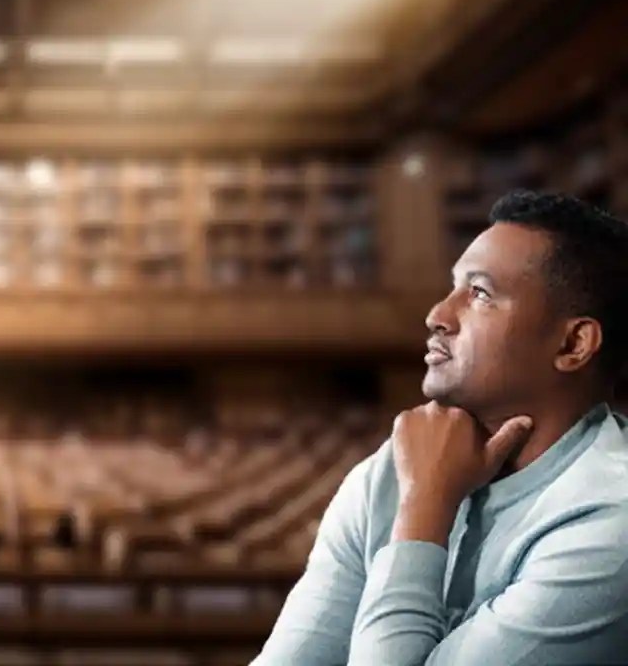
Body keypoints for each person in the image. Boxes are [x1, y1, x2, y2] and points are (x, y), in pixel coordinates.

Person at [253, 189, 628, 664]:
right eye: (454, 287)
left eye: (480, 293)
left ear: (573, 344)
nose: (437, 316)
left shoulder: (611, 524)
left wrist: (425, 506)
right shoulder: (390, 471)